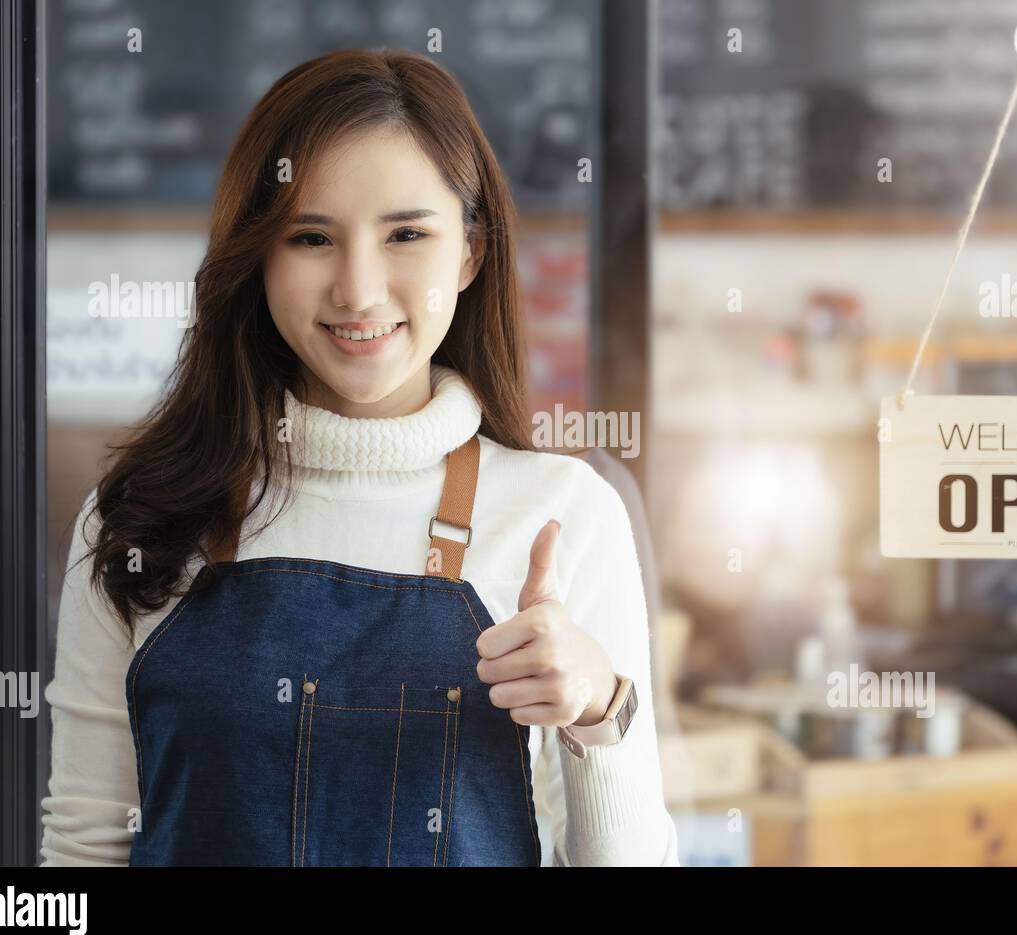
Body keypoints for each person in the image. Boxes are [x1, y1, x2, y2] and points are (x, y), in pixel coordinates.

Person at [39, 48, 678, 867]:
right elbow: (82, 851)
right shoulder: (139, 517)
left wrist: (598, 707)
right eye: (311, 237)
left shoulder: (566, 512)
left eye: (406, 234)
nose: (358, 290)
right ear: (258, 258)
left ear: (471, 253)